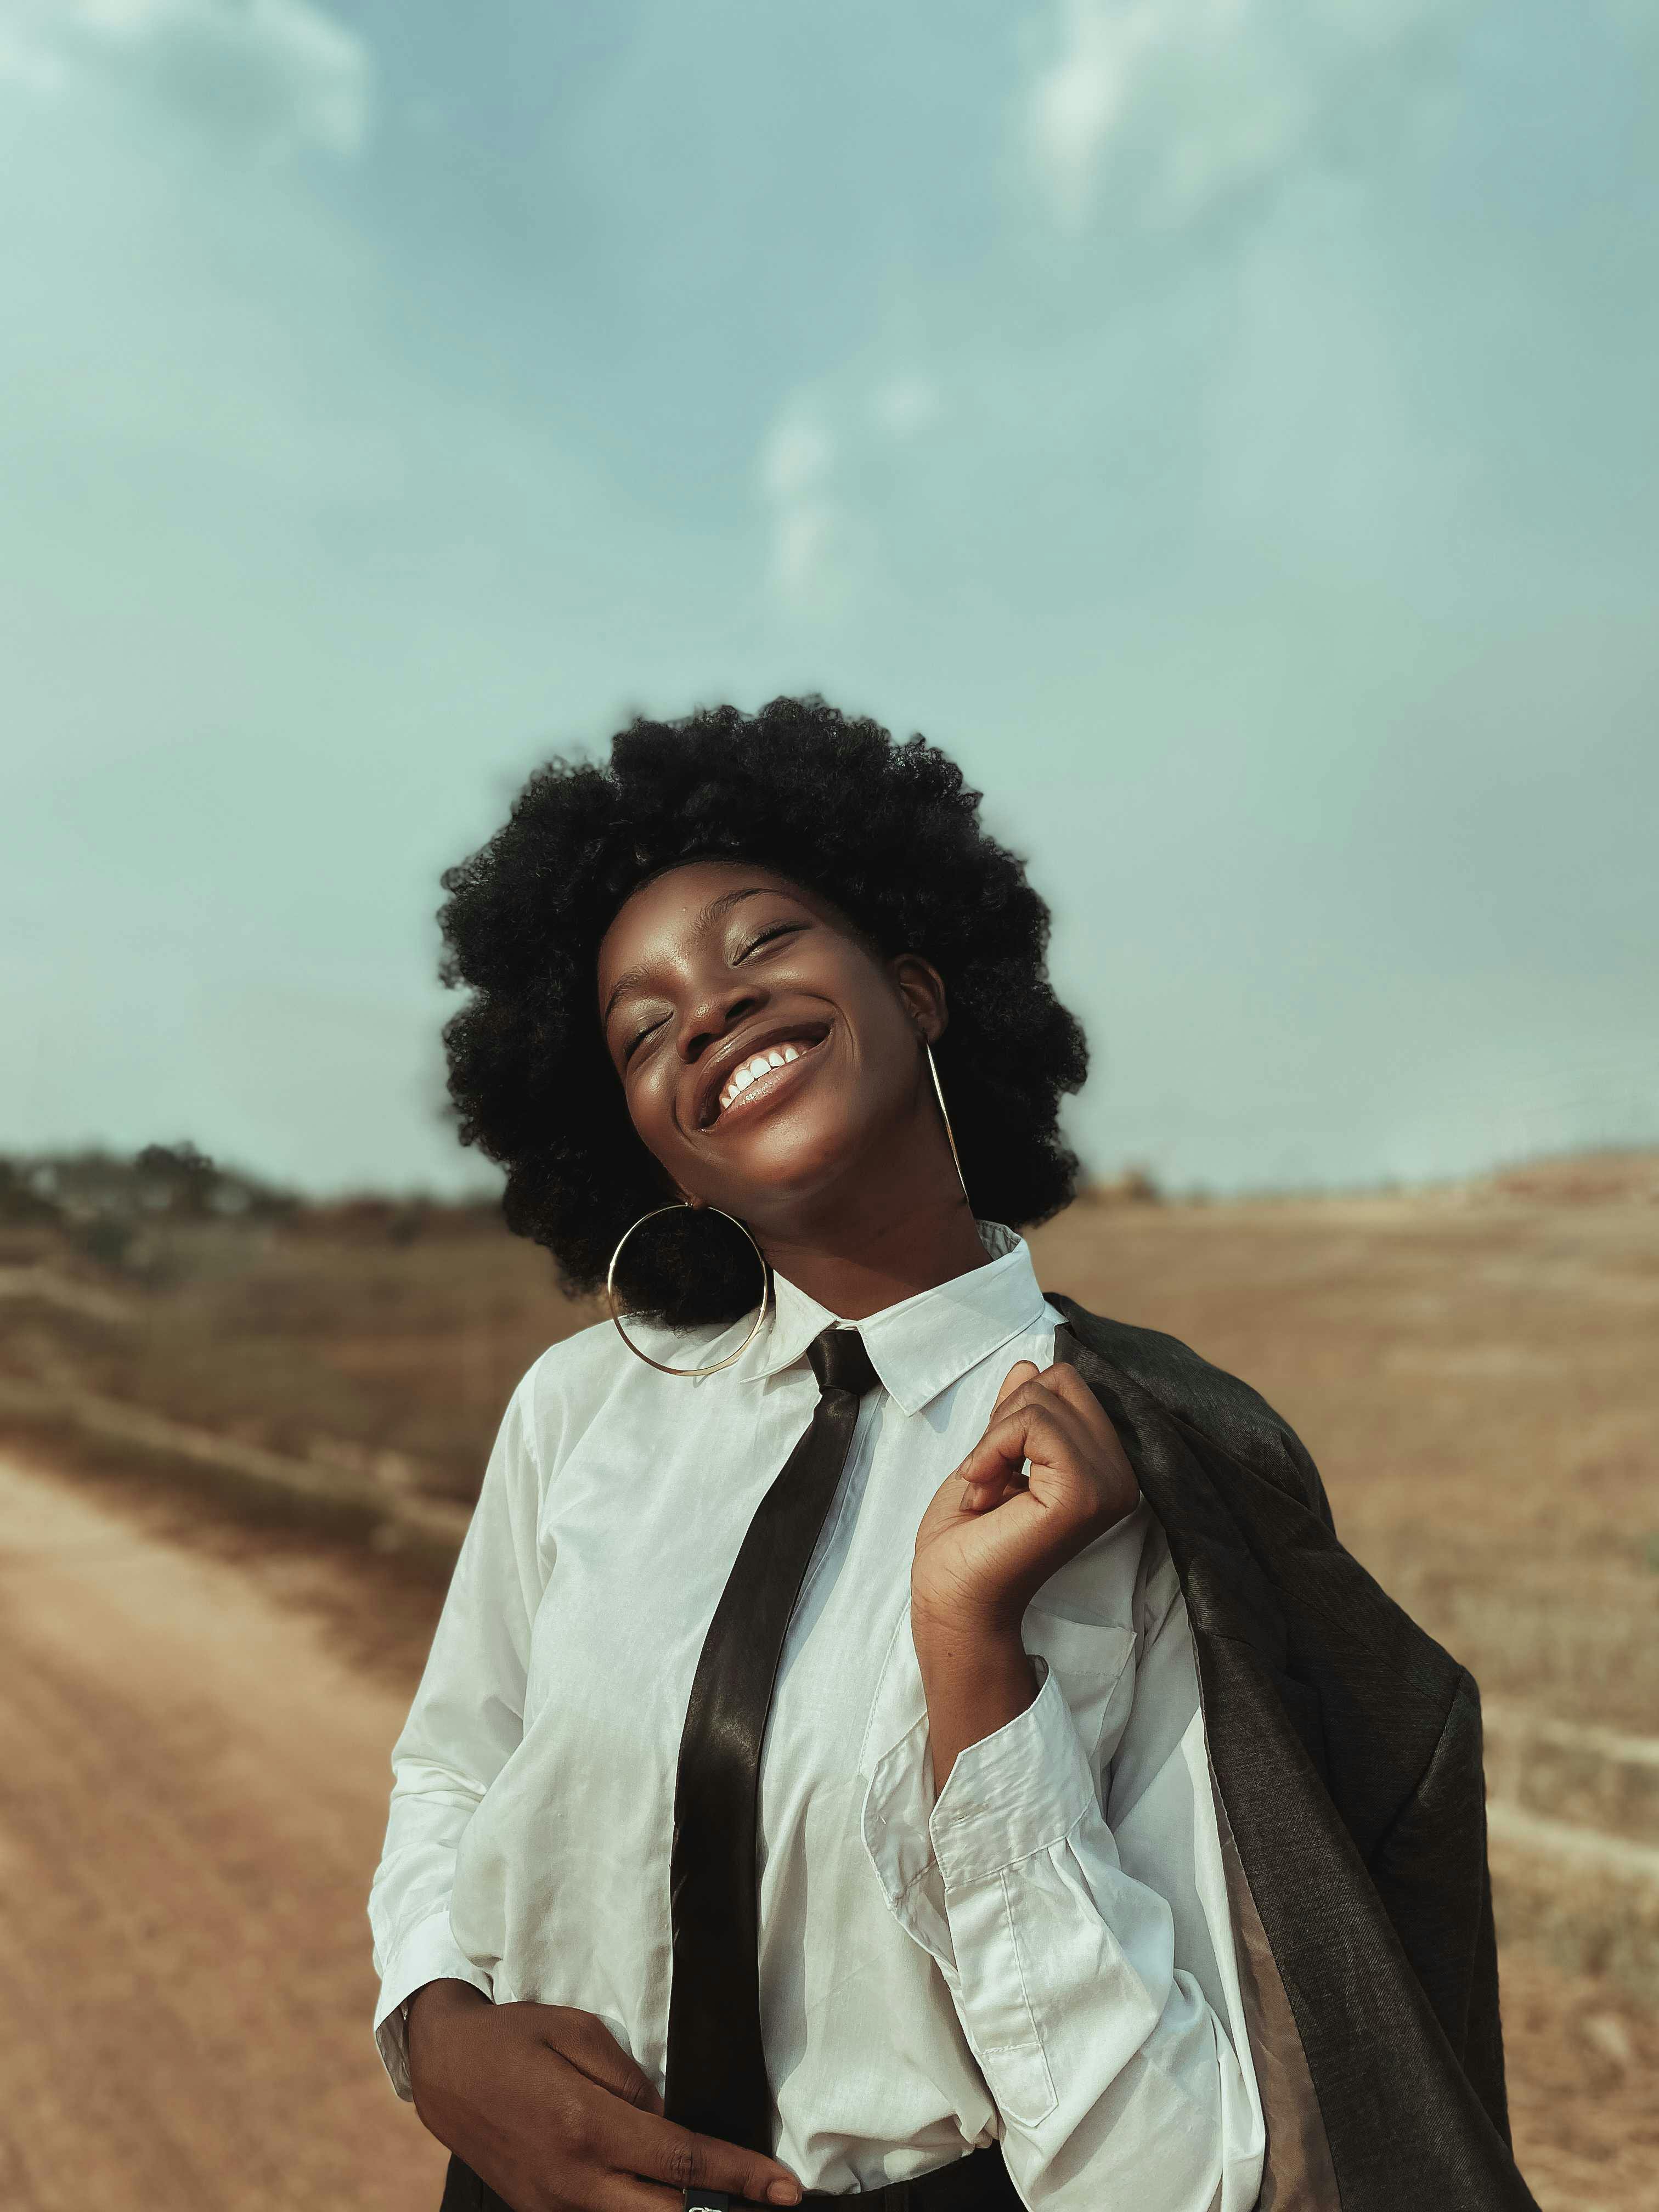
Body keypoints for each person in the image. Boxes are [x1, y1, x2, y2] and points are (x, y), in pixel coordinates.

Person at [369, 698, 1534, 2212]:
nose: (707, 1015)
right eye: (644, 1027)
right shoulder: (577, 1413)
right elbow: (459, 1764)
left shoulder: (1134, 1462)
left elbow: (1171, 2172)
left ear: (920, 988)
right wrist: (433, 2026)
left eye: (761, 945)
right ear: (647, 1140)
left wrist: (971, 1657)